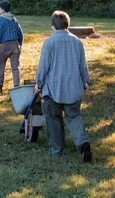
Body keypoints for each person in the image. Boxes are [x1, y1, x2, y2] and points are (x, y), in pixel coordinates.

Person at [35, 10, 92, 163]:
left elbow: (43, 66)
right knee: (74, 117)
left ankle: (56, 150)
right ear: (68, 24)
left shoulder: (49, 42)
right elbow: (83, 65)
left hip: (53, 90)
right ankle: (83, 143)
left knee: (53, 118)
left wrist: (38, 84)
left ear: (53, 26)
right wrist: (86, 81)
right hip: (74, 88)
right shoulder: (77, 42)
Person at [0, 0, 24, 94]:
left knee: (1, 66)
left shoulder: (0, 19)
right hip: (15, 45)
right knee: (15, 68)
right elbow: (20, 33)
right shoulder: (14, 19)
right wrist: (20, 44)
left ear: (2, 9)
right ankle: (17, 87)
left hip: (5, 46)